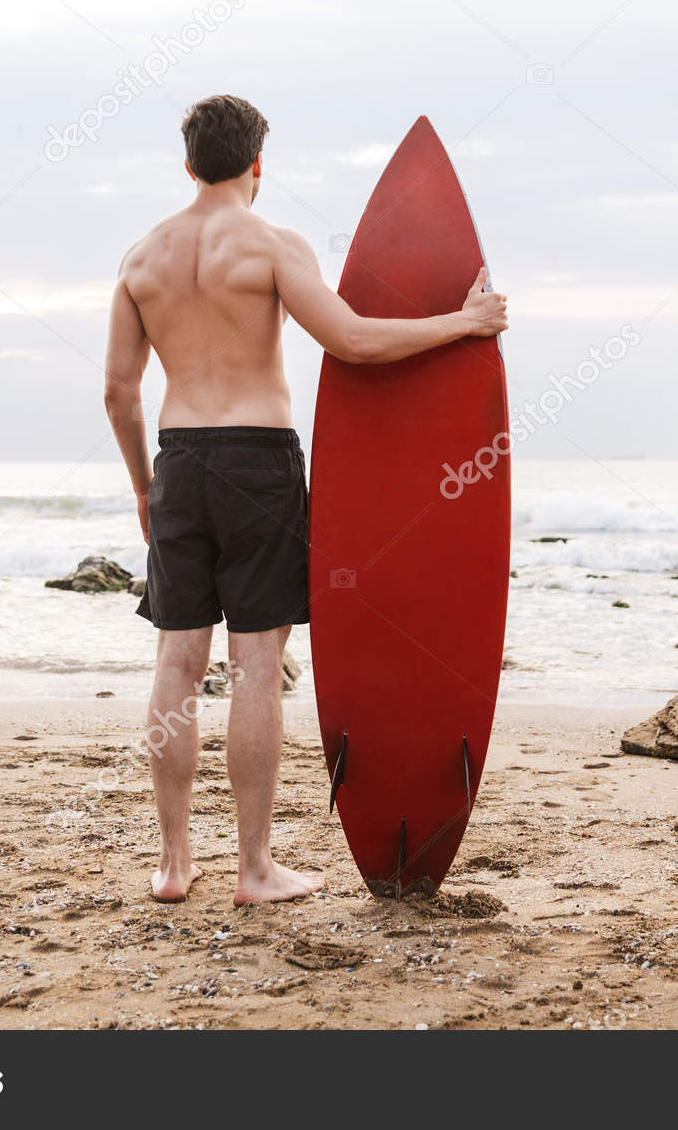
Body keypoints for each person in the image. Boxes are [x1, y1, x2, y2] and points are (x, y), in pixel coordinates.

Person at [103, 95, 508, 905]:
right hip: (257, 460)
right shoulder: (273, 247)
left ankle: (174, 863)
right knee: (256, 669)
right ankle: (254, 869)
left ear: (187, 165)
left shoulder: (140, 259)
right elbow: (352, 341)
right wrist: (461, 325)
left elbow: (118, 391)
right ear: (258, 164)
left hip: (179, 461)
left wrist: (147, 488)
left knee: (176, 664)